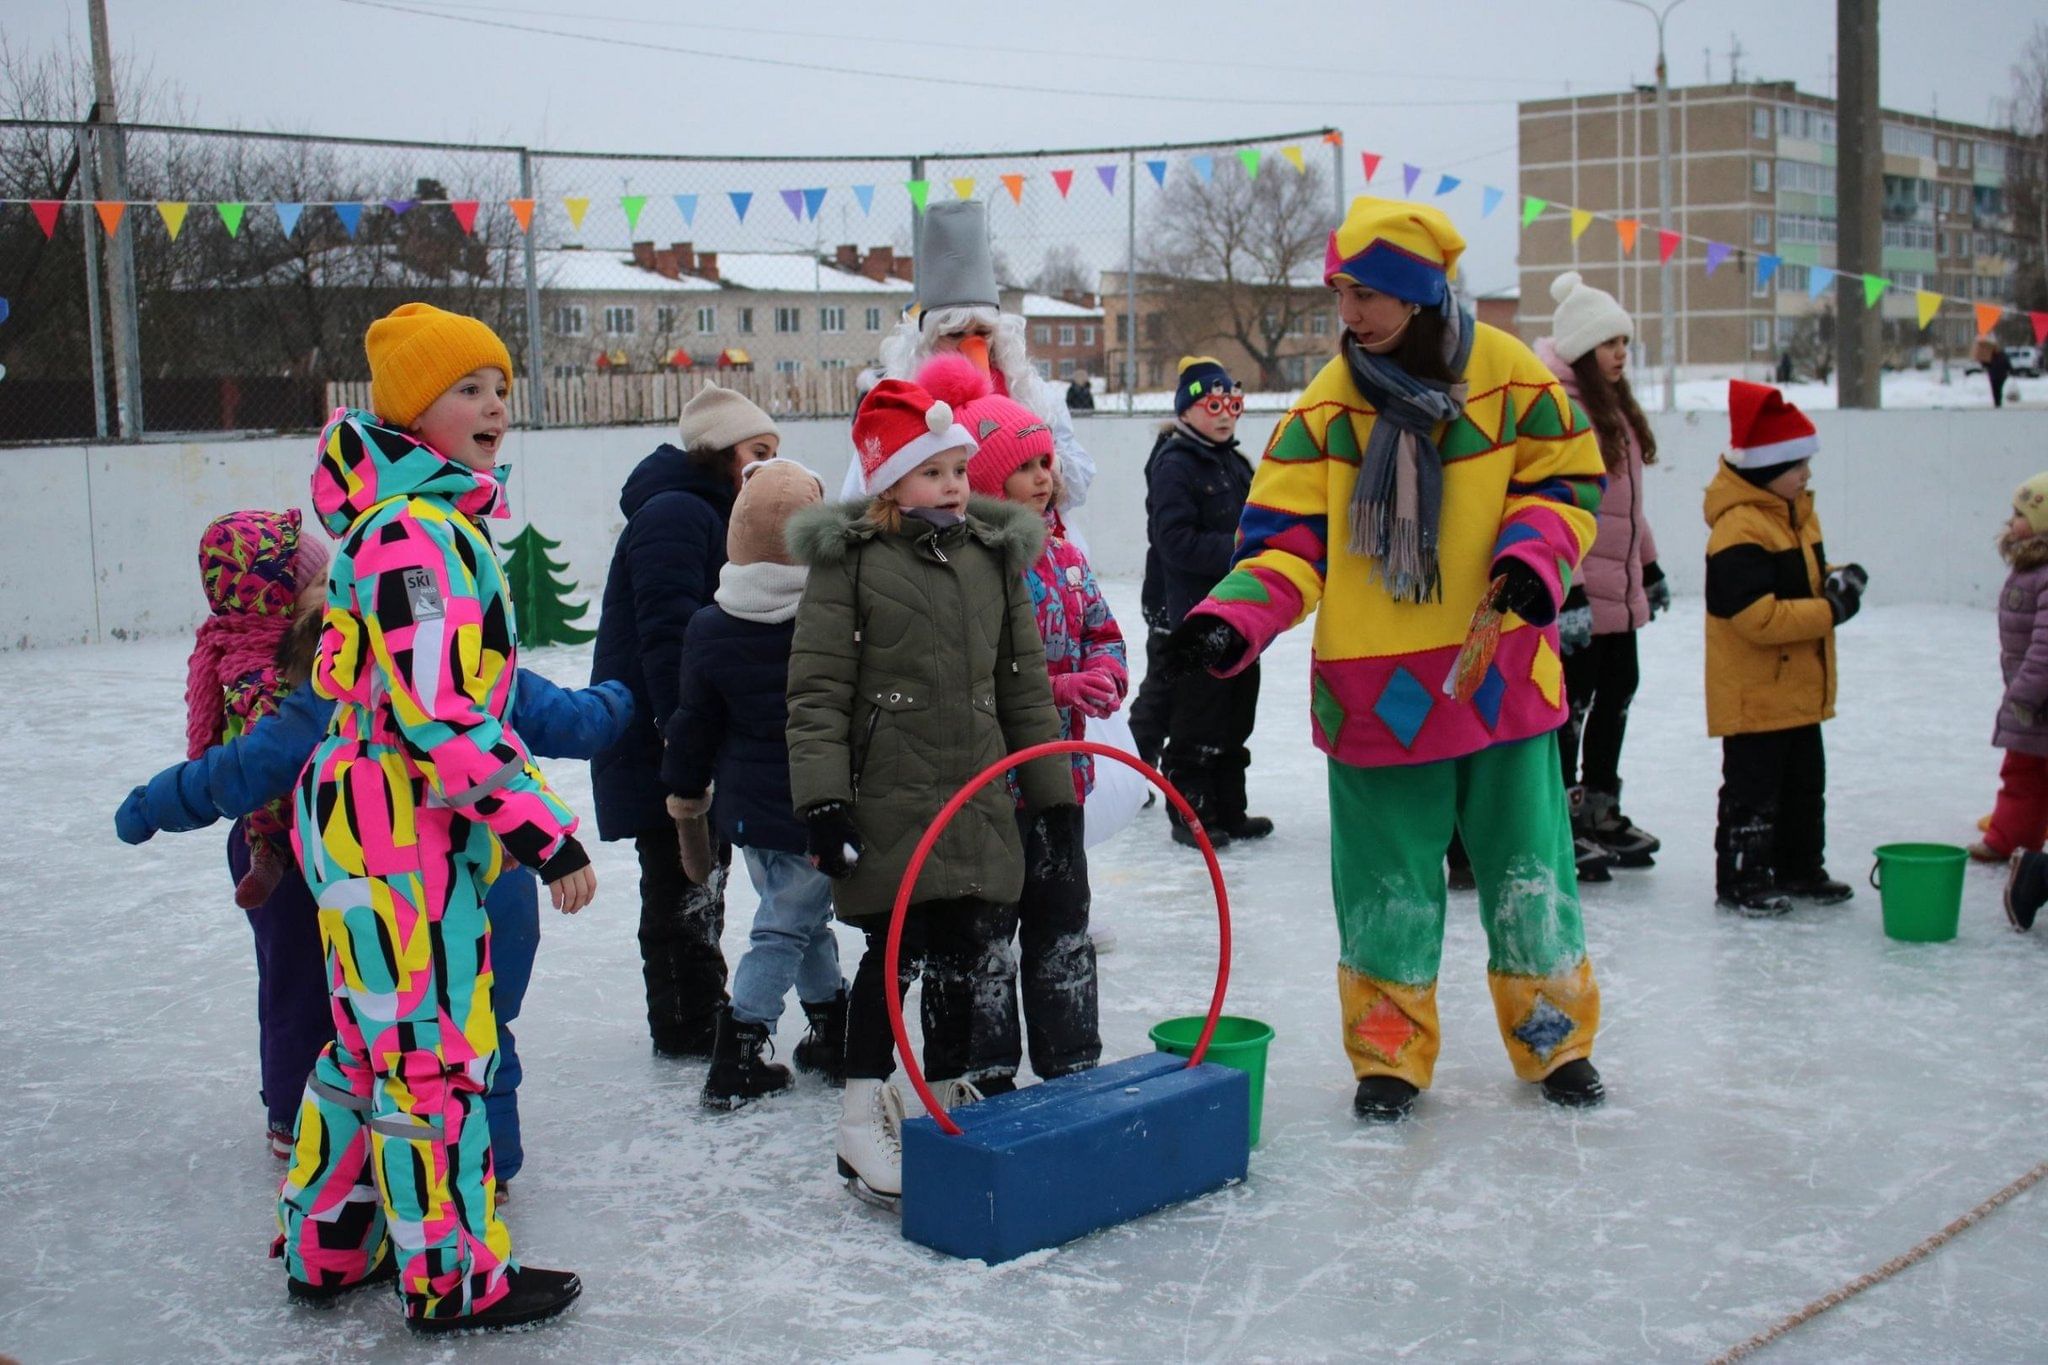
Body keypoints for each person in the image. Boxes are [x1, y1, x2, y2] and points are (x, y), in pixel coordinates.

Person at [1163, 197, 1609, 1121]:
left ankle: (1554, 1042)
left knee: (1530, 872)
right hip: (1377, 689)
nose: (1350, 313)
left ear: (1417, 291)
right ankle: (1389, 1059)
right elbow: (1284, 541)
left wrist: (1533, 560)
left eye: (1367, 292)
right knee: (1384, 887)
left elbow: (1565, 477)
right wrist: (1230, 620)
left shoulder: (1508, 375)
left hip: (1499, 673)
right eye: (1342, 292)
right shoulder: (1330, 402)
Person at [280, 303, 591, 1332]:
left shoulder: (399, 524)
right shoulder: (416, 535)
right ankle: (454, 1277)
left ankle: (329, 1242)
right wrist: (542, 831)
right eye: (469, 387)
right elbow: (441, 709)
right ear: (415, 412)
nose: (495, 403)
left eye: (501, 385)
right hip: (394, 822)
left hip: (367, 815)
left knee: (366, 1042)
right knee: (434, 1055)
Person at [115, 600, 634, 1193]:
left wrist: (155, 803)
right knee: (483, 1029)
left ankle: (424, 1182)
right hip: (494, 879)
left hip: (402, 896)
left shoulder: (338, 685)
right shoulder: (480, 666)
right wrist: (629, 694)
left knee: (401, 1042)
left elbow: (241, 769)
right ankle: (486, 1176)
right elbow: (577, 721)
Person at [785, 376, 1069, 1209]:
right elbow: (817, 692)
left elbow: (1024, 685)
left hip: (975, 795)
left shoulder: (993, 555)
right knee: (894, 958)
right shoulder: (852, 565)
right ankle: (857, 1116)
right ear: (888, 482)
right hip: (891, 798)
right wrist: (824, 803)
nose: (953, 484)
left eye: (958, 469)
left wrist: (1051, 798)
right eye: (934, 470)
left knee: (968, 952)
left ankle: (938, 1099)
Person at [926, 352, 1125, 1086]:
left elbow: (1103, 628)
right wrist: (1064, 684)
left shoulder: (1067, 550)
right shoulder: (974, 562)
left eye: (1047, 460)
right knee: (985, 934)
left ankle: (1072, 1057)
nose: (1045, 476)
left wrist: (1106, 673)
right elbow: (977, 668)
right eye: (1026, 465)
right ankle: (985, 1067)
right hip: (990, 787)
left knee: (1063, 921)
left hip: (1059, 776)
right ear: (985, 479)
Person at [119, 509, 329, 1159]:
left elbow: (204, 743)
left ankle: (303, 1102)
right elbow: (265, 757)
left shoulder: (223, 643)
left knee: (292, 977)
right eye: (317, 579)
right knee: (305, 981)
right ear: (280, 590)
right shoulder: (287, 655)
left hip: (264, 831)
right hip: (304, 835)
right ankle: (295, 1113)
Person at [591, 382, 781, 1058]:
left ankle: (699, 1004)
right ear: (721, 452)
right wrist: (681, 731)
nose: (767, 466)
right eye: (758, 451)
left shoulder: (710, 512)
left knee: (700, 876)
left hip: (685, 733)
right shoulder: (677, 512)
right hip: (657, 735)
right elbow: (668, 629)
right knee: (679, 879)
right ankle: (685, 1018)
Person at [662, 457, 848, 1111]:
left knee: (799, 917)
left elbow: (692, 725)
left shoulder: (710, 624)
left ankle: (832, 1027)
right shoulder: (826, 618)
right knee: (786, 922)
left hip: (747, 810)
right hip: (814, 805)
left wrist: (686, 794)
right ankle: (740, 1047)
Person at [1705, 380, 1867, 917]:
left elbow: (1805, 583)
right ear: (1766, 470)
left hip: (1797, 684)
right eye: (1797, 466)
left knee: (1804, 786)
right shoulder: (1738, 529)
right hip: (1756, 693)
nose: (1807, 475)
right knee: (1753, 790)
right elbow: (1756, 616)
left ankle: (1800, 867)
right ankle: (1742, 877)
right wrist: (1831, 611)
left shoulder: (1795, 514)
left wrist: (1840, 582)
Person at [853, 201, 1097, 527]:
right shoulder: (900, 400)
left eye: (983, 333)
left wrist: (1046, 468)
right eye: (955, 335)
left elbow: (1080, 473)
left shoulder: (1029, 391)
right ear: (928, 340)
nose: (972, 345)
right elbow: (862, 491)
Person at [1541, 272, 1667, 874]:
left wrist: (1651, 565)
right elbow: (1556, 509)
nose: (1620, 354)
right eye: (1608, 343)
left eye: (1624, 343)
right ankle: (1561, 819)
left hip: (1620, 591)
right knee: (1574, 707)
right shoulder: (1563, 410)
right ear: (1580, 349)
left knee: (1618, 694)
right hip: (1580, 593)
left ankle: (1601, 808)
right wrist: (1568, 593)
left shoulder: (1613, 409)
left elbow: (1628, 508)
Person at [1137, 357, 1271, 848]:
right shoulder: (1176, 463)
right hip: (1193, 616)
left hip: (1239, 615)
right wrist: (1241, 550)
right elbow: (1174, 541)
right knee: (1197, 717)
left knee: (1237, 714)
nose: (1225, 414)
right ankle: (1190, 813)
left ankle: (1229, 809)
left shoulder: (1234, 462)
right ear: (1187, 410)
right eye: (1212, 404)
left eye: (1232, 404)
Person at [1967, 475, 2048, 863]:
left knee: (2027, 773)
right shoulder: (2032, 565)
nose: (2011, 521)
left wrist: (2025, 693)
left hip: (2036, 697)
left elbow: (2046, 647)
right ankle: (2011, 840)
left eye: (2021, 513)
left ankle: (2013, 840)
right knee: (2023, 771)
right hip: (2032, 696)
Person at [1977, 339, 2013, 410]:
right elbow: (1986, 365)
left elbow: (2008, 364)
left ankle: (1998, 402)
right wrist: (1982, 362)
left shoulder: (2002, 355)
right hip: (1994, 375)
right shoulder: (1991, 356)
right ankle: (1997, 402)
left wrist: (2011, 370)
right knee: (1994, 389)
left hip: (2001, 375)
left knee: (1998, 389)